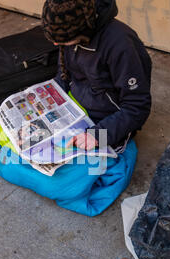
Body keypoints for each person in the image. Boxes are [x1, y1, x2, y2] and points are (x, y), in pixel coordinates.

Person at [42, 0, 152, 152]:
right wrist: (49, 98)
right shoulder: (69, 30)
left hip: (108, 122)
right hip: (75, 109)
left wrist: (98, 136)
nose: (56, 45)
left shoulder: (122, 45)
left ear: (83, 31)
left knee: (71, 171)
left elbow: (138, 106)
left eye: (64, 41)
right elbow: (64, 75)